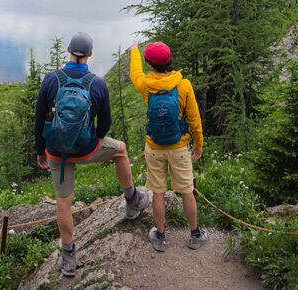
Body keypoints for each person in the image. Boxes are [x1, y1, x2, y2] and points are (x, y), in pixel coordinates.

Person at [35, 32, 149, 277]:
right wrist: (92, 138)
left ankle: (68, 258)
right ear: (90, 54)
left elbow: (39, 119)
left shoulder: (51, 79)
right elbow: (105, 123)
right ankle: (132, 200)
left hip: (56, 152)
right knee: (120, 150)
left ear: (68, 50)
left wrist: (40, 151)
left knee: (63, 202)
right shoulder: (96, 83)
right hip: (87, 149)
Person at [129, 40, 205, 252]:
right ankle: (195, 234)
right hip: (179, 147)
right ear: (169, 60)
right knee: (187, 191)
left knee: (159, 192)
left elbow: (135, 73)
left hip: (154, 147)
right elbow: (194, 119)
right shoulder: (183, 85)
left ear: (150, 64)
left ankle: (161, 236)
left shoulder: (146, 84)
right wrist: (198, 144)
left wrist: (134, 51)